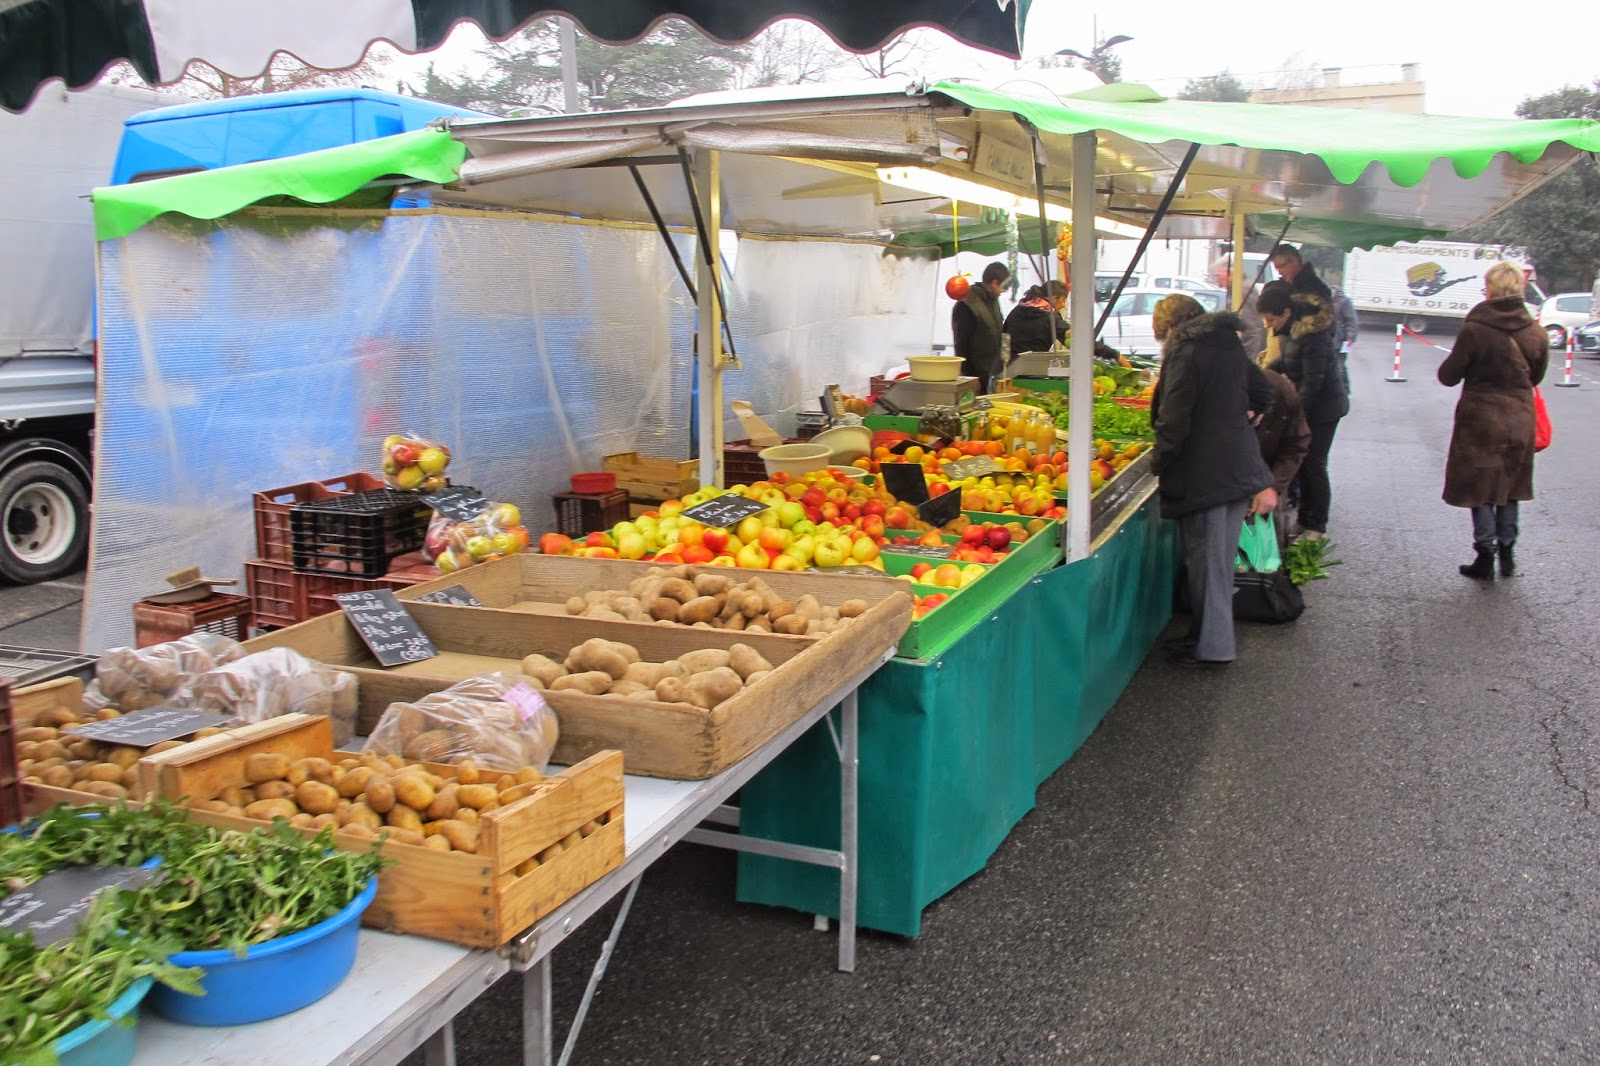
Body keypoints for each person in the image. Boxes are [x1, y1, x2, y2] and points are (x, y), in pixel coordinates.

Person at [1149, 294, 1275, 668]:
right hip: (1236, 465)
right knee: (1217, 561)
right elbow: (1264, 392)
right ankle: (1204, 638)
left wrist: (1160, 460)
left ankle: (1214, 647)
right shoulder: (1227, 343)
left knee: (1207, 562)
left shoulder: (1186, 352)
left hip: (1205, 471)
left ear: (1171, 327)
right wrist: (1238, 423)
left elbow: (1174, 418)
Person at [1437, 260, 1548, 579]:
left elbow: (1448, 376)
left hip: (1481, 419)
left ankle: (1485, 556)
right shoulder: (1536, 331)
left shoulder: (1475, 329)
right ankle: (1508, 555)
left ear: (1492, 290)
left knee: (1480, 487)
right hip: (1520, 418)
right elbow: (1535, 377)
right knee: (1511, 486)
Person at [1258, 281, 1348, 541]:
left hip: (1326, 409)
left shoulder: (1312, 335)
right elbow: (1284, 362)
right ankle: (1305, 519)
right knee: (1304, 464)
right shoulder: (1290, 331)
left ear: (1286, 313)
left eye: (1271, 319)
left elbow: (1313, 384)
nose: (1268, 325)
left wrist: (1296, 416)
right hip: (1310, 405)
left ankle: (1317, 524)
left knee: (1314, 464)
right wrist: (1259, 375)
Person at [1253, 367, 1312, 542]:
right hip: (1228, 472)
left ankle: (1272, 561)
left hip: (1270, 465)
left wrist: (1273, 487)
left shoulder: (1285, 396)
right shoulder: (1219, 400)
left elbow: (1296, 444)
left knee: (1272, 516)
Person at [952, 262, 1010, 393]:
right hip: (977, 376)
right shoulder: (966, 304)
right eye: (1003, 286)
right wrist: (969, 378)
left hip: (992, 373)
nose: (1003, 290)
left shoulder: (993, 301)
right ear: (994, 283)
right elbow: (961, 345)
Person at [1003, 280, 1067, 355]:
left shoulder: (1016, 310)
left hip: (1011, 364)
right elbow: (1071, 339)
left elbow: (1004, 337)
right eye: (1063, 300)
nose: (1064, 305)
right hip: (1035, 364)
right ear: (1054, 299)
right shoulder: (1051, 318)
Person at [1330, 286, 1359, 394]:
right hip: (1330, 340)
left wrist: (1350, 338)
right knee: (1335, 365)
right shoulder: (1327, 301)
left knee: (1340, 365)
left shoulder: (1345, 302)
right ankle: (1342, 388)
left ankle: (1342, 390)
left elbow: (1351, 321)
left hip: (1343, 341)